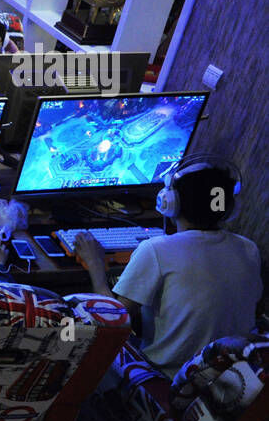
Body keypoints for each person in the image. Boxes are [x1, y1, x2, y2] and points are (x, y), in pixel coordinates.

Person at [74, 157, 262, 378]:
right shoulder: (249, 249)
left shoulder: (155, 250)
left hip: (167, 379)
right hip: (228, 379)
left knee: (78, 331)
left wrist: (95, 264)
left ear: (168, 202)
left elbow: (112, 318)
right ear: (229, 206)